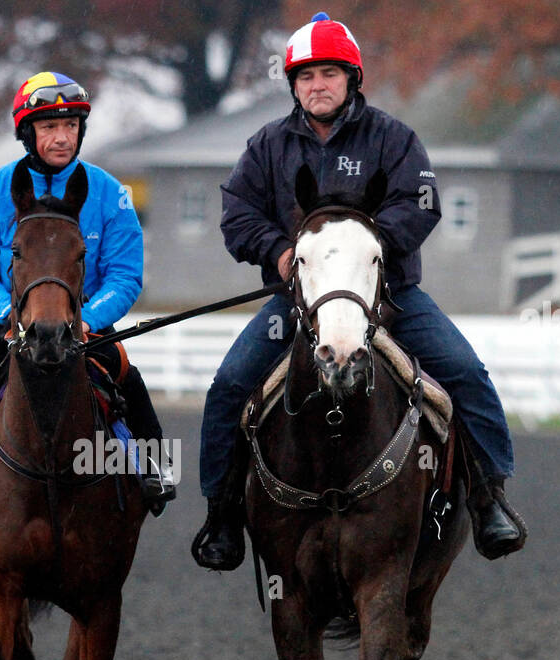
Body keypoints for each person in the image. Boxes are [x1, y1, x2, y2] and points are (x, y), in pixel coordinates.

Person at [192, 12, 527, 569]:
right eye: (305, 76)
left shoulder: (395, 139)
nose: (317, 85)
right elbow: (237, 215)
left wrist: (360, 256)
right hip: (296, 305)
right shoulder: (267, 145)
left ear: (352, 79)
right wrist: (279, 253)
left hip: (390, 297)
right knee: (228, 385)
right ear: (293, 85)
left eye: (329, 73)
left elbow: (422, 204)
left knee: (465, 374)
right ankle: (222, 515)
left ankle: (490, 500)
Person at [0, 71, 174, 510]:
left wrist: (87, 320)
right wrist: (9, 313)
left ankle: (154, 462)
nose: (62, 137)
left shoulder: (112, 194)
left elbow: (126, 275)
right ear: (27, 132)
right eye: (50, 127)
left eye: (71, 126)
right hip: (14, 324)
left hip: (85, 326)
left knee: (126, 375)